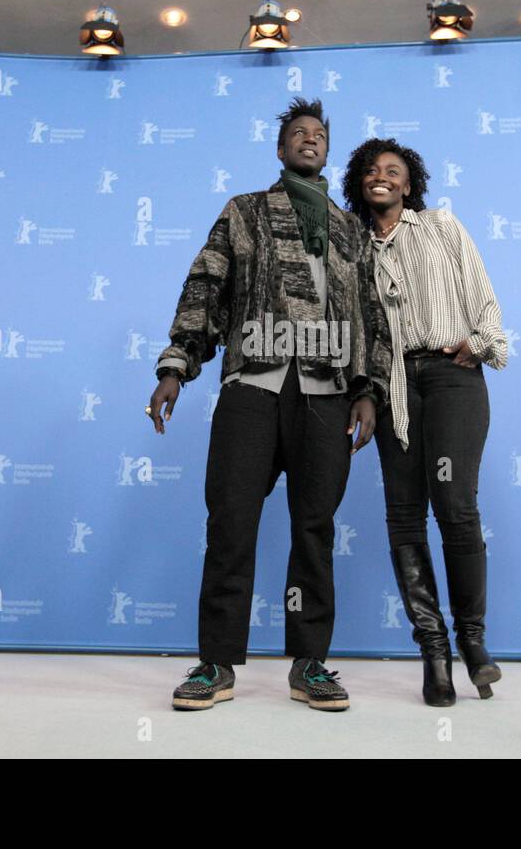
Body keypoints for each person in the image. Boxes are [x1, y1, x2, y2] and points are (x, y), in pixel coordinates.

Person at [147, 98, 391, 711]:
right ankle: (214, 664)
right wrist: (177, 364)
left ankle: (309, 664)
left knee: (315, 530)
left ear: (328, 153)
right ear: (281, 149)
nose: (310, 140)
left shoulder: (348, 229)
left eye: (320, 136)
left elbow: (367, 315)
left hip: (327, 397)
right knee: (230, 523)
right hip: (251, 389)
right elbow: (206, 285)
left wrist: (366, 391)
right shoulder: (244, 212)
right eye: (298, 134)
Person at [342, 137, 508, 707]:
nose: (381, 176)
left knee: (455, 506)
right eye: (371, 170)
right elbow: (354, 330)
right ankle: (433, 653)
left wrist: (481, 342)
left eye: (393, 170)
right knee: (403, 516)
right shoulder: (352, 248)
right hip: (391, 388)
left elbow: (482, 296)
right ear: (360, 184)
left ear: (410, 184)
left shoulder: (441, 228)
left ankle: (473, 643)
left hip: (450, 377)